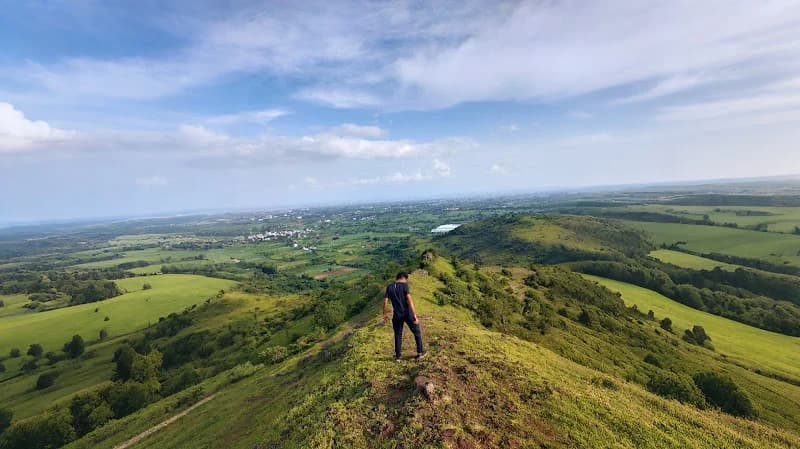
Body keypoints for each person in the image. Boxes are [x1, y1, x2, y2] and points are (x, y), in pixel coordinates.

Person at [383, 272, 426, 361]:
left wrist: (385, 314)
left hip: (397, 315)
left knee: (398, 334)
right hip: (407, 313)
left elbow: (385, 301)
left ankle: (398, 356)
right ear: (404, 278)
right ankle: (420, 352)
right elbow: (409, 300)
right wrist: (415, 315)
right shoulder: (404, 285)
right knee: (417, 332)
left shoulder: (389, 287)